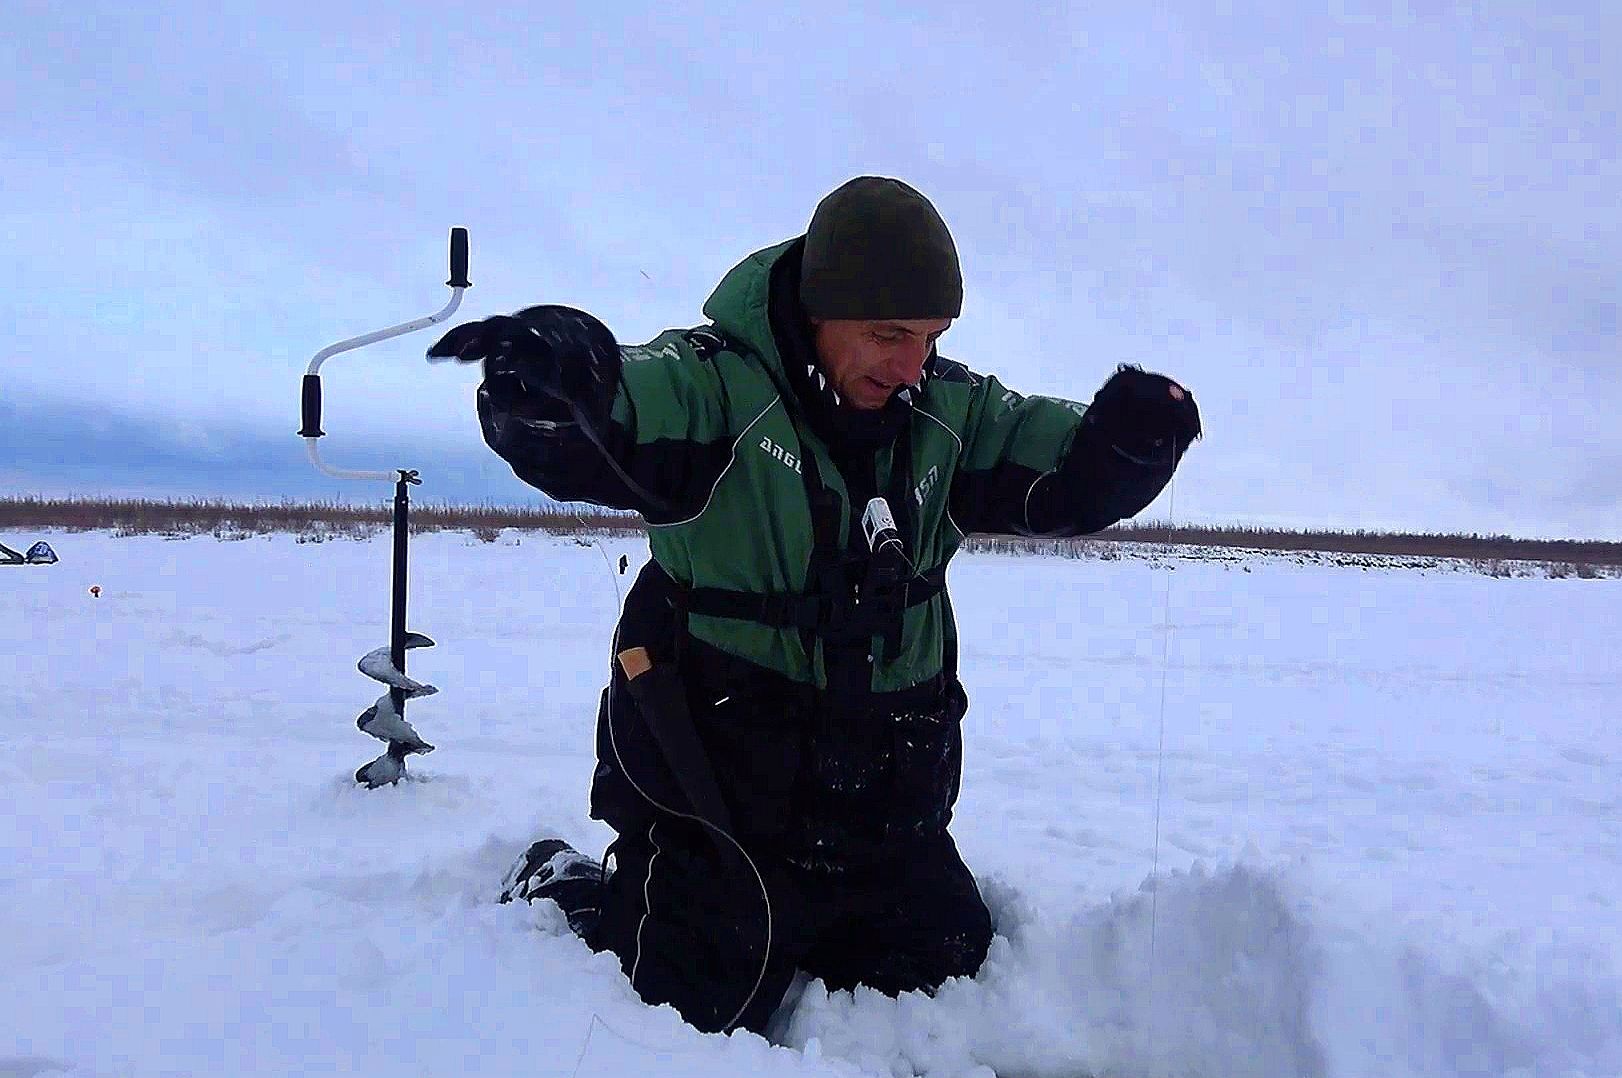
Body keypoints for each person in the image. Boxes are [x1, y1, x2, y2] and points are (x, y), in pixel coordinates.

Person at [429, 176, 1201, 1036]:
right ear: (817, 309)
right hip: (722, 818)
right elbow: (617, 411)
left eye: (930, 338)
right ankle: (565, 886)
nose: (911, 367)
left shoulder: (949, 413)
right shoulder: (715, 390)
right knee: (684, 1011)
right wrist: (554, 388)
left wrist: (1122, 451)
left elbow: (1055, 464)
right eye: (888, 334)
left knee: (948, 969)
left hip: (885, 822)